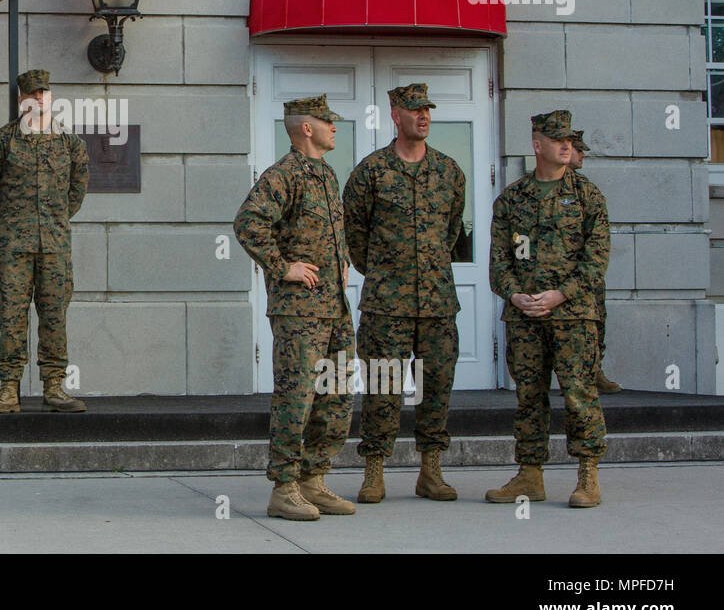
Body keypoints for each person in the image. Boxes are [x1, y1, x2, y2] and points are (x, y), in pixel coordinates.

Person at [234, 95, 356, 521]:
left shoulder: (325, 174)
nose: (334, 128)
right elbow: (248, 222)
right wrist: (282, 266)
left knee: (335, 395)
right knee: (297, 397)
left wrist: (341, 263)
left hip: (334, 308)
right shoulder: (283, 174)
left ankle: (314, 480)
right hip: (299, 312)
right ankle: (284, 488)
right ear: (307, 127)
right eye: (328, 122)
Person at [342, 83, 464, 503]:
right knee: (382, 389)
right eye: (414, 110)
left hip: (437, 303)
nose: (423, 116)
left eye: (427, 109)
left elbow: (451, 233)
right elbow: (353, 234)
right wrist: (383, 271)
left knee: (435, 388)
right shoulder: (371, 171)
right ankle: (374, 473)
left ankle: (431, 472)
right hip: (385, 305)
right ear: (396, 115)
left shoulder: (449, 172)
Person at [486, 110, 609, 508]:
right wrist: (515, 295)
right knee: (529, 397)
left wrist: (561, 294)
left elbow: (596, 260)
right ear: (537, 145)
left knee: (578, 394)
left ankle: (587, 475)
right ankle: (529, 476)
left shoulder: (588, 196)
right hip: (525, 318)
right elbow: (499, 262)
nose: (566, 145)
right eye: (557, 139)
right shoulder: (512, 198)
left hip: (573, 315)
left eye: (569, 140)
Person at [0, 69, 89, 413]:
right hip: (14, 246)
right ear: (21, 99)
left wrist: (53, 220)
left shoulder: (70, 143)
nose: (39, 98)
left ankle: (55, 386)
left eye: (44, 93)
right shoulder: (1, 142)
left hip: (54, 244)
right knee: (12, 315)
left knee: (54, 314)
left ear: (50, 97)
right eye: (32, 93)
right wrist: (13, 220)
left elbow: (76, 191)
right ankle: (8, 387)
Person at [571, 130, 622, 394]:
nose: (582, 155)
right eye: (579, 149)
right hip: (557, 277)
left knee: (596, 323)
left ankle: (594, 371)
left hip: (587, 274)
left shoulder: (586, 191)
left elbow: (598, 240)